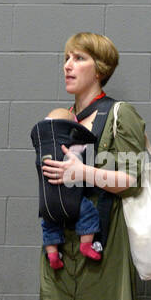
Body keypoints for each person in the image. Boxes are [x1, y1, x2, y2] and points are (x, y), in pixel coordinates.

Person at [15, 32, 146, 300]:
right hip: (60, 247)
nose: (68, 65)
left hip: (102, 245)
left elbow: (133, 178)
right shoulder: (59, 118)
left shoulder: (117, 114)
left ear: (100, 68)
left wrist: (82, 169)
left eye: (79, 58)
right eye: (66, 57)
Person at [36, 106, 104, 268]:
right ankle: (86, 245)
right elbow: (88, 146)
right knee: (89, 213)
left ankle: (53, 254)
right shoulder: (72, 147)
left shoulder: (41, 148)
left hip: (47, 202)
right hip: (71, 200)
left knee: (49, 225)